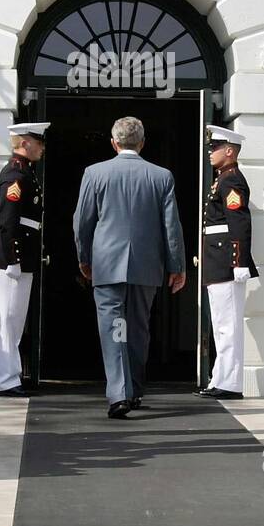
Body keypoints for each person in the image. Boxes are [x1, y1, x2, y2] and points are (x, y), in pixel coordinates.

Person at [73, 116, 185, 418]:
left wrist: (84, 258)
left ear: (114, 142)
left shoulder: (95, 173)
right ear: (142, 143)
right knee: (137, 328)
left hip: (107, 264)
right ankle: (133, 389)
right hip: (146, 265)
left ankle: (119, 394)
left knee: (113, 329)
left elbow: (82, 221)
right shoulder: (161, 176)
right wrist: (177, 265)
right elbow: (170, 227)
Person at [0, 122, 49, 397]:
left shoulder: (25, 172)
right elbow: (8, 222)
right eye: (39, 142)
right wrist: (14, 259)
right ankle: (5, 381)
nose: (42, 147)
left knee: (15, 321)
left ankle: (11, 377)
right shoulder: (14, 174)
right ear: (25, 143)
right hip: (12, 258)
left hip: (23, 256)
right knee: (7, 320)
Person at [197, 125, 258, 400]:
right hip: (217, 259)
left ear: (230, 151)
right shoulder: (222, 179)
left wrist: (239, 261)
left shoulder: (231, 180)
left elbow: (239, 222)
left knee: (228, 325)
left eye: (215, 148)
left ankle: (230, 383)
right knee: (222, 325)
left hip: (225, 261)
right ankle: (220, 379)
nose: (211, 152)